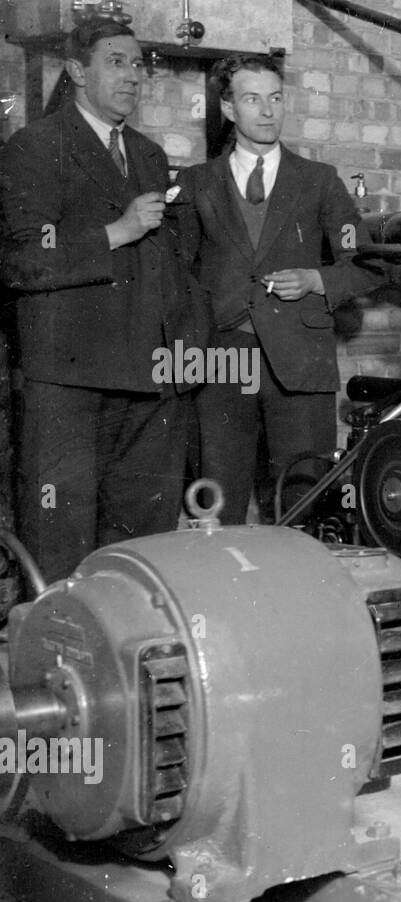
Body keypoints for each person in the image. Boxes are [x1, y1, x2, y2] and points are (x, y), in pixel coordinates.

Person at [0, 18, 207, 580]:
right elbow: (21, 258)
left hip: (146, 380)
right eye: (116, 62)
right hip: (68, 383)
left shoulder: (146, 153)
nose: (133, 76)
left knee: (143, 545)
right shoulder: (37, 146)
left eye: (139, 64)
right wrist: (117, 230)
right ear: (76, 71)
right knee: (59, 540)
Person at [174, 54, 380, 525]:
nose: (268, 111)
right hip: (222, 359)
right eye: (252, 99)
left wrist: (315, 280)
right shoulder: (195, 183)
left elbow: (367, 266)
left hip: (300, 357)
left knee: (304, 498)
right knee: (217, 500)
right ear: (229, 110)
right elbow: (175, 276)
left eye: (276, 98)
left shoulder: (319, 181)